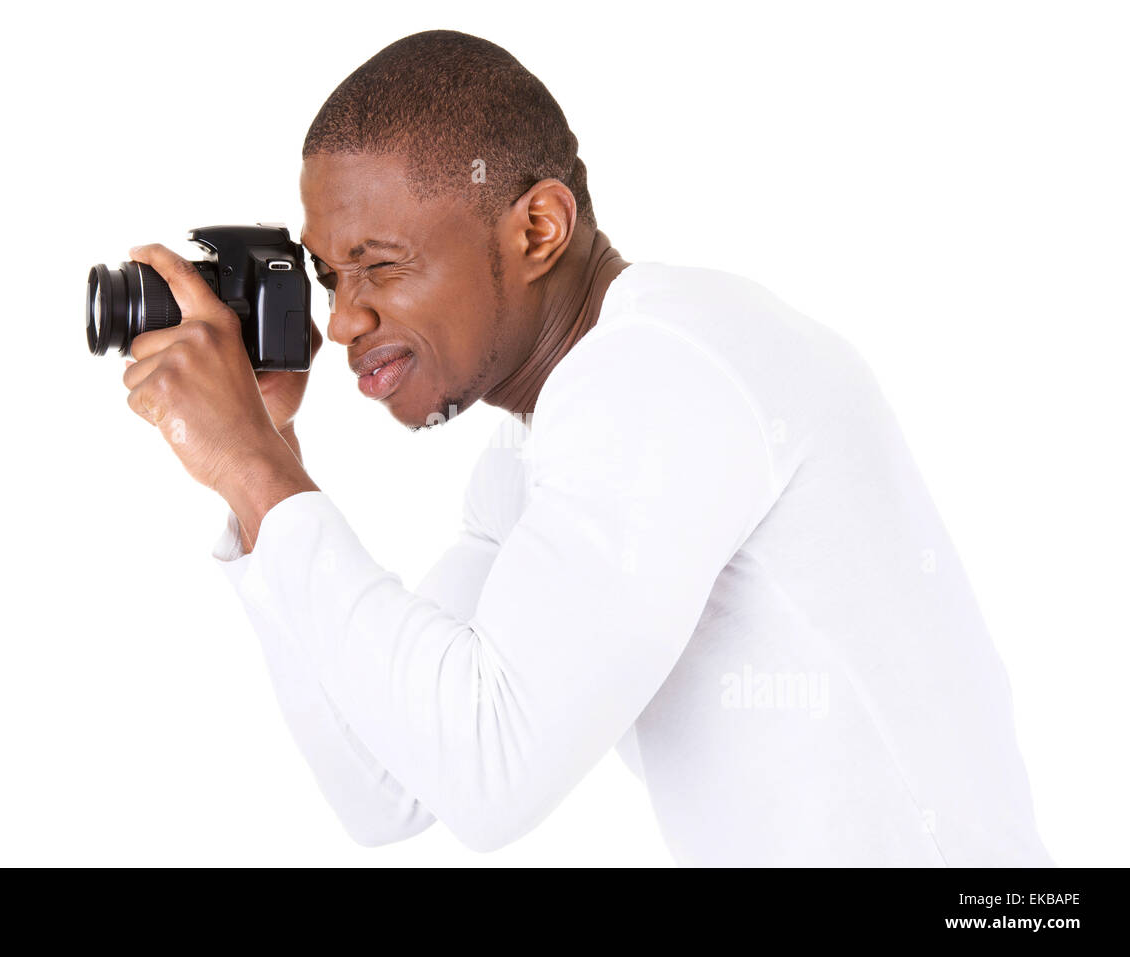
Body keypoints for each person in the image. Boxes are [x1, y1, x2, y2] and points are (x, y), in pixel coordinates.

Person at [120, 30, 1053, 865]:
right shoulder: (542, 440)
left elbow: (493, 775)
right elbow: (385, 784)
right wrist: (269, 460)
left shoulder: (662, 371)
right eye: (329, 275)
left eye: (381, 263)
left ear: (539, 227)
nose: (346, 318)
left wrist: (255, 464)